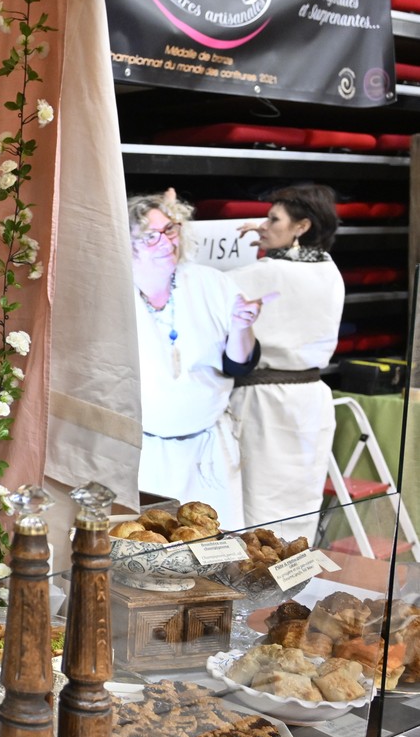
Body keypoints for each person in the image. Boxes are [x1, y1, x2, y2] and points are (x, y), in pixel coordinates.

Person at [130, 190, 264, 529]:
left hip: (208, 451)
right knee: (151, 545)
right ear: (125, 243)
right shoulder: (115, 293)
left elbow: (239, 364)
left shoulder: (210, 283)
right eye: (150, 236)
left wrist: (241, 326)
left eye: (170, 230)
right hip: (145, 454)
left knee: (218, 545)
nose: (166, 242)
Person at [228, 185, 345, 539]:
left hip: (266, 404)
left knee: (257, 507)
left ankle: (254, 590)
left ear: (302, 226)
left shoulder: (267, 271)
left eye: (272, 218)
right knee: (298, 507)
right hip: (311, 401)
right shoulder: (329, 269)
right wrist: (272, 238)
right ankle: (289, 584)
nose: (263, 224)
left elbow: (200, 288)